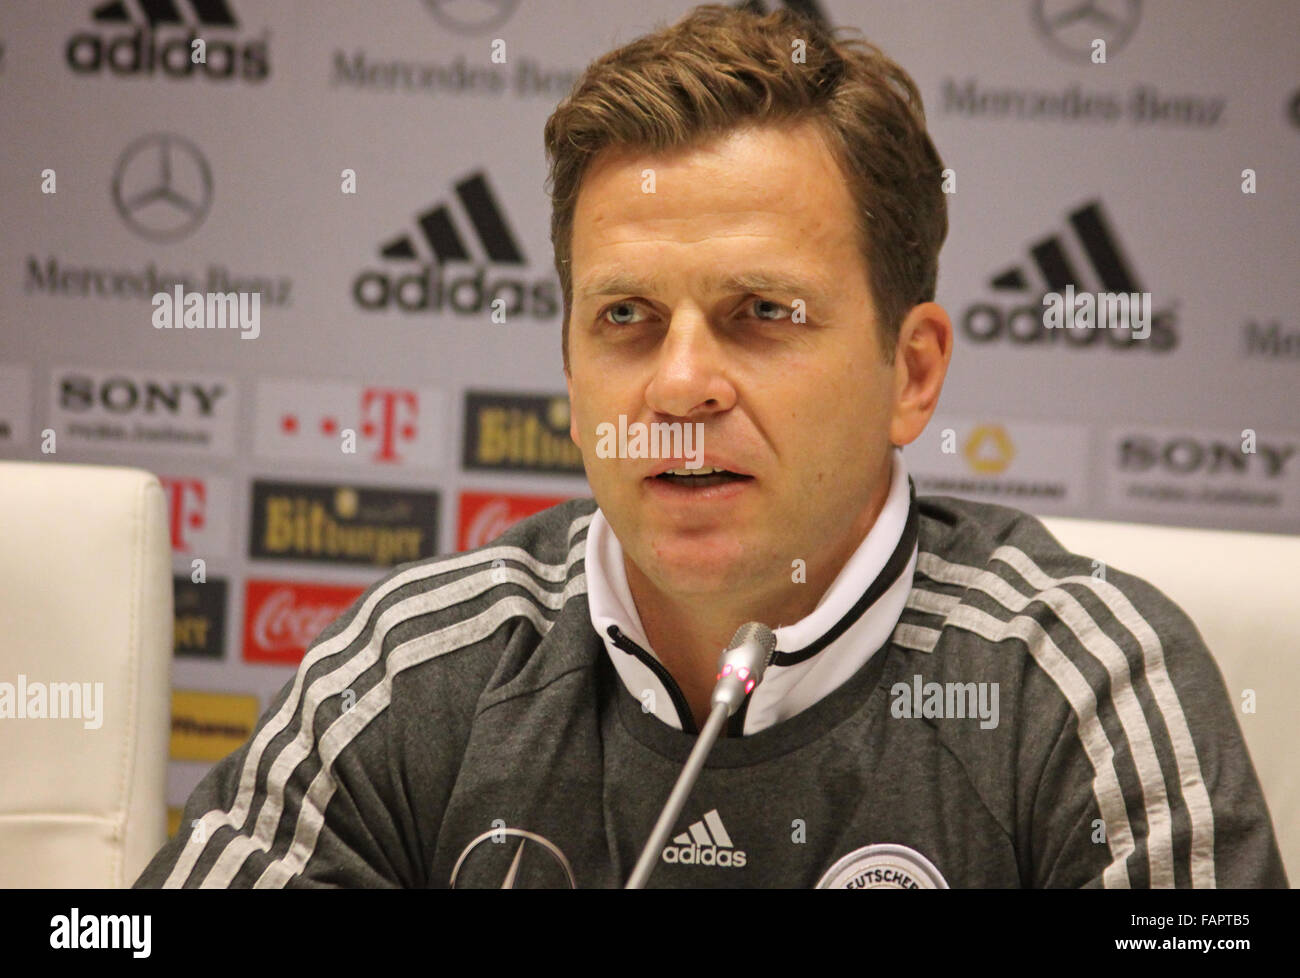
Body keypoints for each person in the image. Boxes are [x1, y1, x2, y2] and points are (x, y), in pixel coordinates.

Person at [134, 4, 1287, 889]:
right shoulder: (414, 673)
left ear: (912, 371)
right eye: (626, 319)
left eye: (762, 314)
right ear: (572, 367)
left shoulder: (1082, 689)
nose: (680, 383)